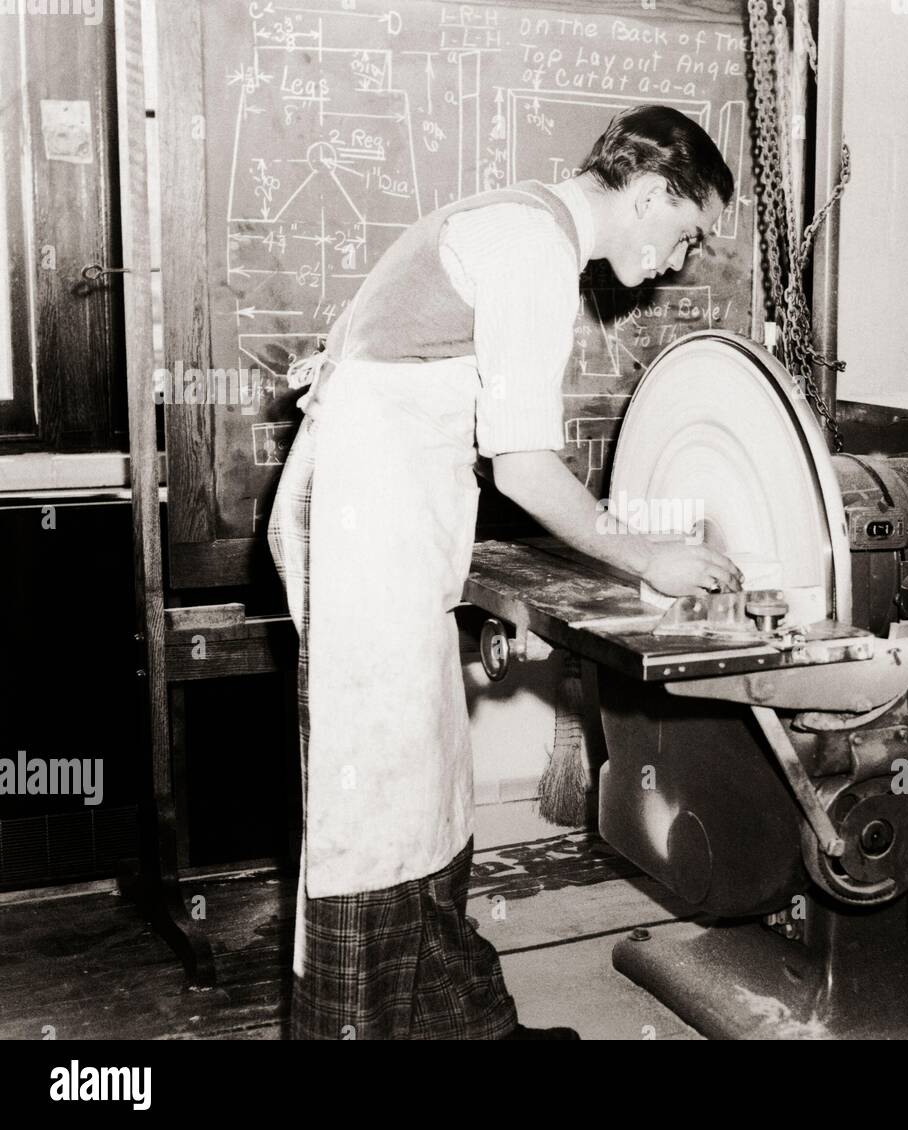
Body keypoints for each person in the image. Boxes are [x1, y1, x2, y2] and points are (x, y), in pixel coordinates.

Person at [267, 105, 743, 1040]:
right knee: (374, 822)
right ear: (649, 196)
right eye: (687, 232)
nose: (684, 261)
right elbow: (522, 464)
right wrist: (648, 553)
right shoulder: (532, 250)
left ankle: (466, 1026)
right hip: (369, 549)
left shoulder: (513, 220)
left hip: (380, 535)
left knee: (424, 796)